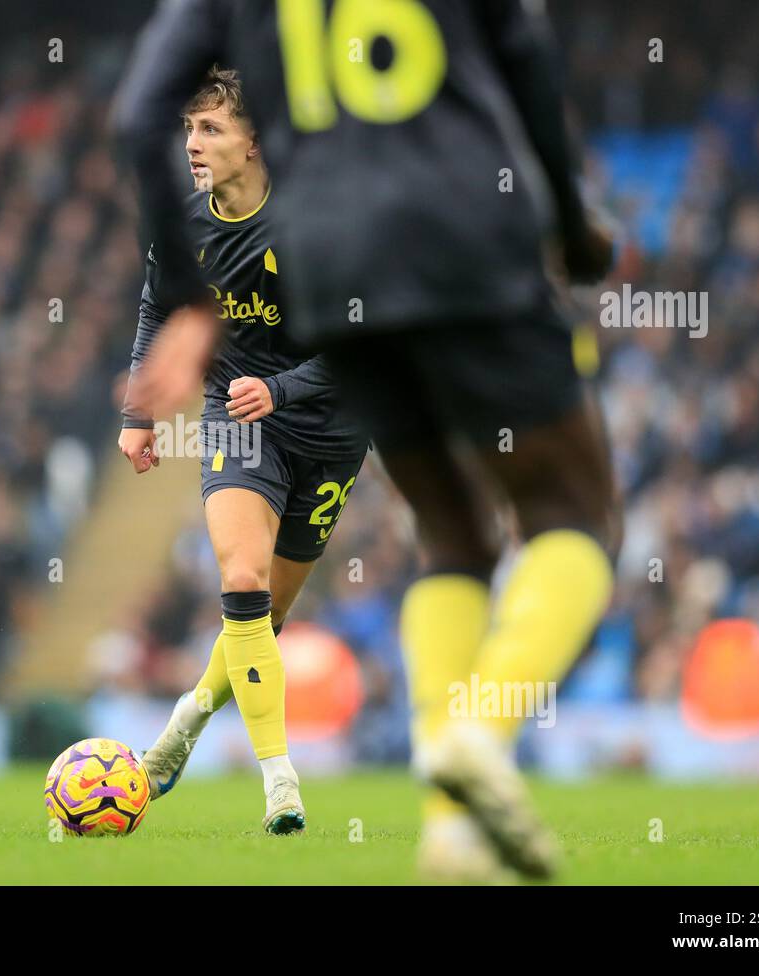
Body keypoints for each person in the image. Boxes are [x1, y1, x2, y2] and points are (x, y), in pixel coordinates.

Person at [113, 0, 620, 881]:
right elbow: (528, 53)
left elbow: (133, 111)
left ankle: (449, 829)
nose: (195, 144)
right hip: (463, 239)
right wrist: (571, 223)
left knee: (452, 537)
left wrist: (206, 315)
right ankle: (473, 733)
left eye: (212, 128)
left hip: (339, 275)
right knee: (573, 511)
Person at [119, 65, 369, 835]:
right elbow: (158, 308)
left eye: (210, 129)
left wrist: (285, 390)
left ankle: (187, 722)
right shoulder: (182, 224)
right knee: (242, 578)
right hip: (235, 419)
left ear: (253, 140)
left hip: (330, 430)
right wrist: (140, 411)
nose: (192, 144)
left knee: (267, 616)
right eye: (188, 128)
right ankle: (280, 783)